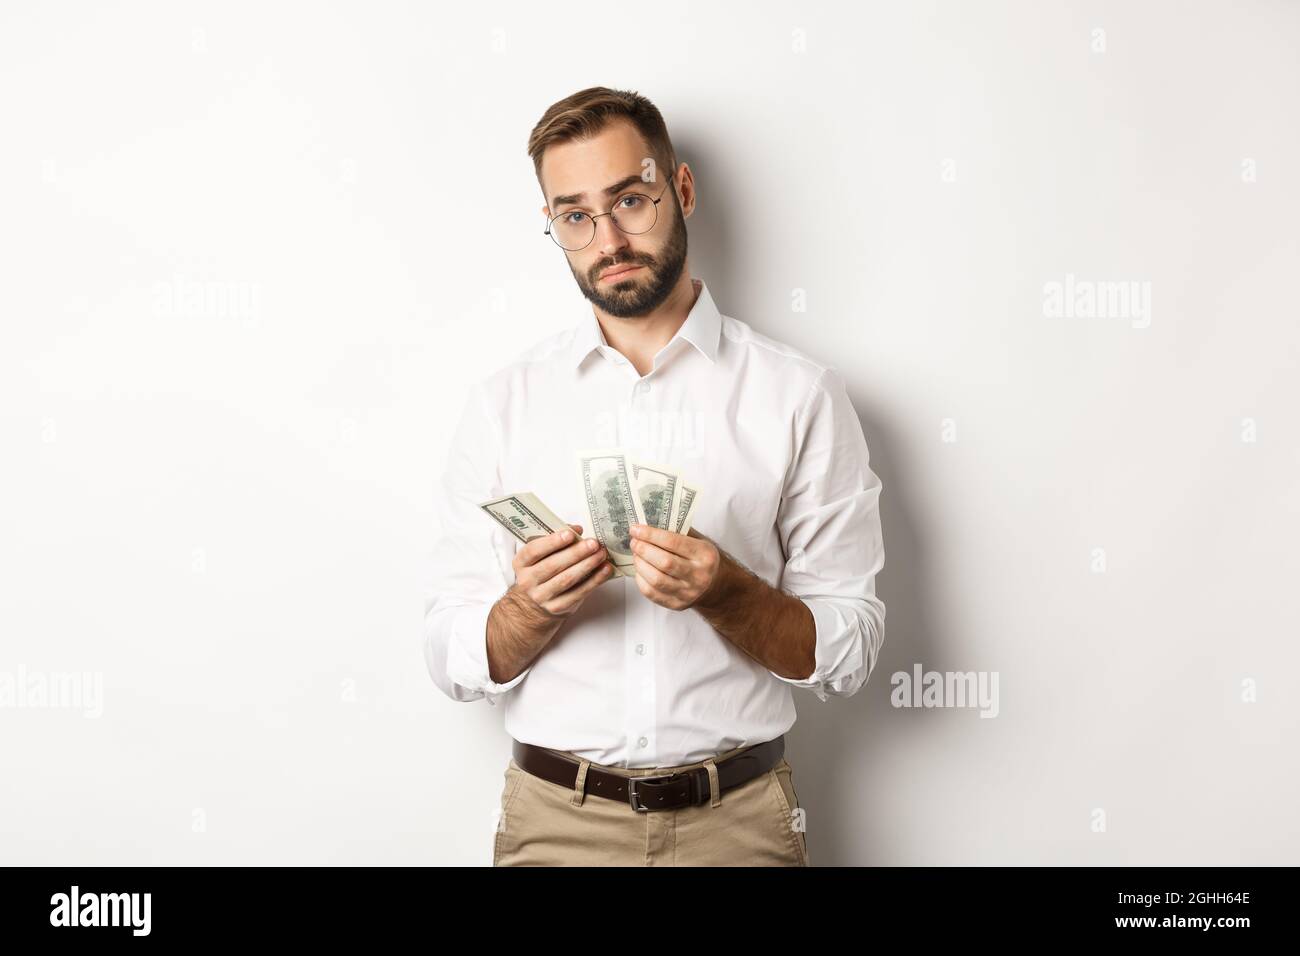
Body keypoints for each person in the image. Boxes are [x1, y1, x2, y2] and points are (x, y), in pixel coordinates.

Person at [422, 86, 886, 866]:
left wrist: (730, 594)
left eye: (631, 199)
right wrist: (525, 613)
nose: (608, 239)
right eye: (574, 216)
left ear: (682, 189)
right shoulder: (503, 405)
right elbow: (450, 658)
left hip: (739, 825)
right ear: (553, 226)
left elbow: (853, 651)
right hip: (554, 826)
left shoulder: (798, 395)